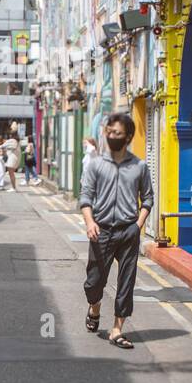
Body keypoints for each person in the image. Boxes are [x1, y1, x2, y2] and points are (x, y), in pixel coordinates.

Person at [80, 113, 153, 351]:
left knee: (126, 282)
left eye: (118, 133)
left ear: (129, 137)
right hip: (100, 230)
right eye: (109, 132)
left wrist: (137, 226)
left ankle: (117, 329)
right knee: (94, 282)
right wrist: (90, 223)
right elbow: (86, 197)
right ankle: (95, 307)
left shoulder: (139, 166)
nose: (112, 136)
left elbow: (148, 199)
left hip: (128, 231)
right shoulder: (96, 164)